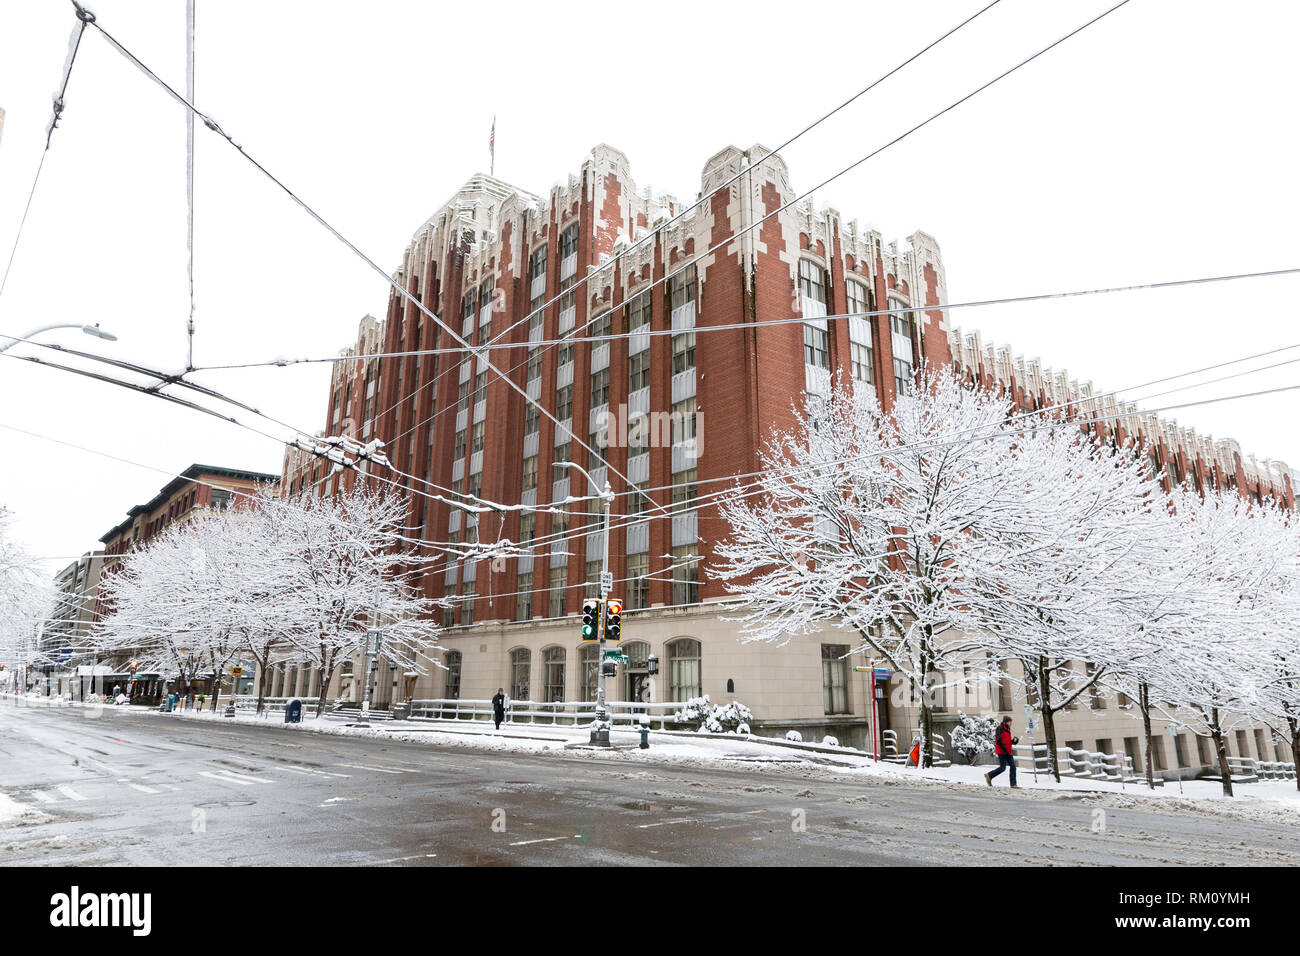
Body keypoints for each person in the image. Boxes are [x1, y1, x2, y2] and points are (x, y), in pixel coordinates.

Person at [985, 716, 1019, 788]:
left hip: (1008, 752)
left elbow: (1006, 741)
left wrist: (1013, 741)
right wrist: (1004, 749)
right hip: (1002, 751)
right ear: (1006, 722)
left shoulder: (1007, 729)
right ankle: (989, 775)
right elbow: (999, 740)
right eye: (1010, 722)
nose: (1011, 723)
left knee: (1013, 767)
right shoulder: (1000, 728)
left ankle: (1013, 784)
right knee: (1002, 768)